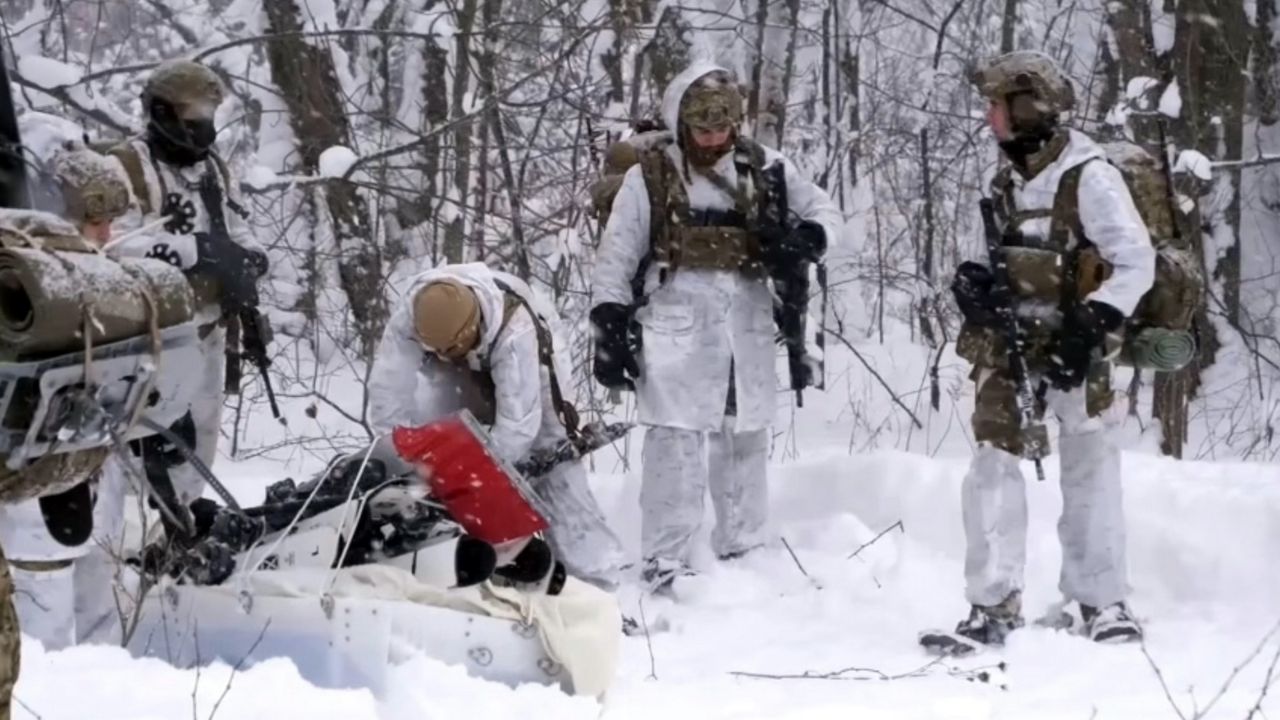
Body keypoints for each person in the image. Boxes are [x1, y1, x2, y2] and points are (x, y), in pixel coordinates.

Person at [588, 61, 842, 592]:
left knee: (743, 435)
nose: (713, 136)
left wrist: (809, 238)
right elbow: (617, 255)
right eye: (702, 126)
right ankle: (666, 560)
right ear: (682, 123)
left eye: (721, 125)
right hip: (675, 320)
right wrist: (609, 324)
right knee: (673, 445)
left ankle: (744, 552)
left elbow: (824, 210)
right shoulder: (650, 175)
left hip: (743, 320)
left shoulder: (767, 168)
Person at [948, 50, 1155, 645]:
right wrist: (975, 288)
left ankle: (1103, 601)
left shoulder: (1088, 175)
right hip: (1010, 341)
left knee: (1089, 461)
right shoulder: (1004, 178)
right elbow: (990, 254)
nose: (990, 118)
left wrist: (1089, 324)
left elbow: (1134, 262)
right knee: (992, 461)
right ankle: (992, 605)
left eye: (998, 106)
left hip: (1078, 343)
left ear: (1027, 108)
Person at [367, 262, 626, 591]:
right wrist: (415, 466)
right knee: (441, 441)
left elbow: (518, 428)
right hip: (458, 350)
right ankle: (480, 571)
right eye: (439, 352)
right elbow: (387, 401)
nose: (446, 357)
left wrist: (478, 476)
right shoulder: (412, 320)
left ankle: (593, 583)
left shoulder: (515, 329)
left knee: (552, 453)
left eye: (451, 351)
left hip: (536, 350)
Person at [101, 59, 268, 515]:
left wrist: (249, 262)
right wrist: (193, 250)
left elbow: (242, 234)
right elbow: (112, 248)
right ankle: (137, 539)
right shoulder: (125, 167)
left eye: (208, 116)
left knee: (202, 440)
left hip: (209, 329)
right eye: (193, 116)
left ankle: (177, 535)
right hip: (149, 337)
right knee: (154, 443)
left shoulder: (214, 169)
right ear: (162, 113)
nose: (203, 127)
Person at [0, 128, 136, 649]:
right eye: (92, 222)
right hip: (32, 494)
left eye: (109, 223)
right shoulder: (23, 286)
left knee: (99, 606)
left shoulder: (93, 277)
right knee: (44, 627)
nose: (104, 236)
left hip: (89, 471)